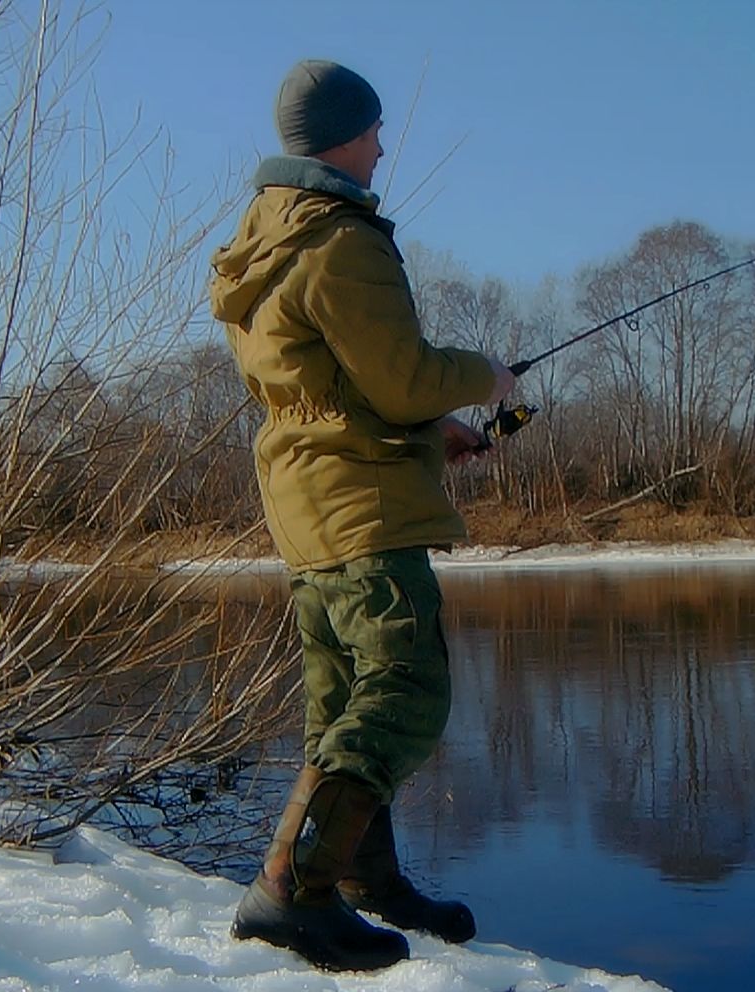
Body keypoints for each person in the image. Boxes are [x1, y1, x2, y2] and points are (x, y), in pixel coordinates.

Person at [207, 58, 516, 972]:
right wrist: (484, 378)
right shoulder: (340, 237)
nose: (383, 145)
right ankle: (291, 892)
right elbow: (399, 375)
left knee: (342, 700)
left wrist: (435, 430)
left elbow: (330, 388)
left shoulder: (261, 238)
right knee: (405, 690)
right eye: (375, 129)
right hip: (364, 510)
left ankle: (363, 881)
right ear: (344, 132)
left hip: (306, 505)